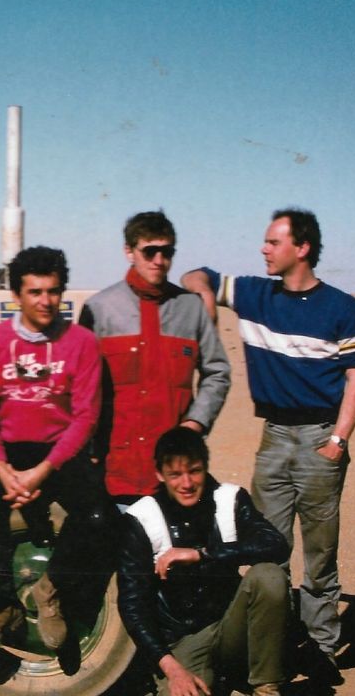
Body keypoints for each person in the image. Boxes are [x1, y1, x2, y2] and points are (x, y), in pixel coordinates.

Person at [180, 208, 355, 683]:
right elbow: (195, 273)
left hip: (320, 438)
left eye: (272, 242)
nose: (263, 250)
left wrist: (338, 440)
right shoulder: (254, 293)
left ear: (301, 248)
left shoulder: (343, 306)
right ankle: (281, 647)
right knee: (268, 551)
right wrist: (203, 293)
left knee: (321, 556)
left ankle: (323, 650)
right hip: (273, 440)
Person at [0, 246, 114, 656]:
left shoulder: (82, 343)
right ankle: (0, 606)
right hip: (9, 454)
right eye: (35, 292)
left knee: (101, 513)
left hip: (59, 455)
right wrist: (2, 470)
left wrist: (42, 472)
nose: (45, 301)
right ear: (17, 294)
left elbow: (85, 418)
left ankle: (51, 590)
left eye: (53, 291)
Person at [117, 427, 290, 696]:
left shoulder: (229, 498)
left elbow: (276, 545)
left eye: (194, 471)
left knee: (269, 576)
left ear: (205, 468)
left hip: (231, 626)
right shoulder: (142, 518)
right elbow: (132, 604)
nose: (186, 484)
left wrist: (202, 554)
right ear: (160, 474)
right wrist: (172, 669)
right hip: (182, 641)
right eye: (175, 475)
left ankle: (265, 686)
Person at [78, 210, 231, 504]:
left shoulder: (191, 308)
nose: (159, 261)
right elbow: (81, 389)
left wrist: (195, 424)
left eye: (167, 252)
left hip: (175, 473)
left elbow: (218, 371)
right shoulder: (99, 309)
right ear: (129, 251)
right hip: (115, 470)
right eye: (149, 251)